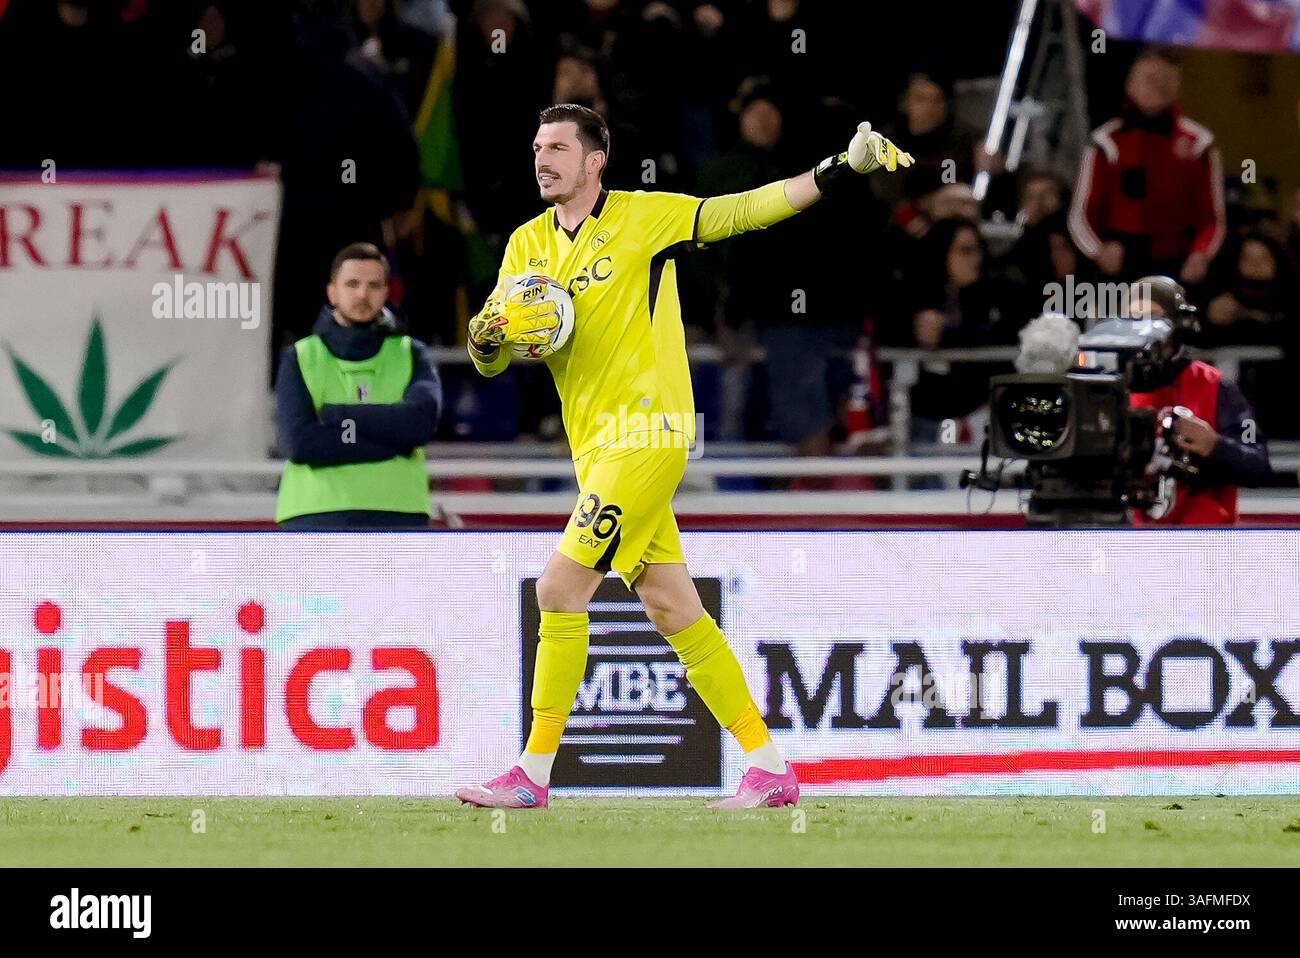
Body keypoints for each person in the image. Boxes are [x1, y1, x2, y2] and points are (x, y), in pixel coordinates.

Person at [454, 103, 912, 810]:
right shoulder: (523, 248)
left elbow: (747, 211)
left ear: (595, 161)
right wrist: (487, 337)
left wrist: (838, 167)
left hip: (649, 436)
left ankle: (532, 776)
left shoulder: (645, 218)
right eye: (537, 147)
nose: (542, 160)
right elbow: (492, 358)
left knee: (557, 590)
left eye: (557, 148)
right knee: (672, 608)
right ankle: (769, 768)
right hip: (594, 449)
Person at [275, 243, 442, 529]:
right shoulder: (300, 356)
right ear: (332, 291)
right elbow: (300, 443)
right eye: (352, 284)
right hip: (314, 513)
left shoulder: (411, 352)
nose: (363, 294)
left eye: (374, 285)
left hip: (398, 510)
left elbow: (419, 425)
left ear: (386, 292)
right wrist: (390, 445)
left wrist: (339, 416)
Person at [1069, 48, 1226, 285]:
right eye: (1151, 79)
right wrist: (1098, 251)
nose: (1159, 86)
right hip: (1119, 263)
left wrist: (1201, 255)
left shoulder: (1199, 143)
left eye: (1167, 80)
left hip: (1178, 261)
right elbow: (1080, 214)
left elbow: (1213, 218)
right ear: (1130, 85)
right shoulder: (1106, 141)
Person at [1126, 275, 1270, 525]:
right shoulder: (1109, 387)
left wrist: (1214, 445)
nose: (1144, 329)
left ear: (1178, 325)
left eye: (1155, 317)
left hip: (1202, 537)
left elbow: (1258, 465)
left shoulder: (1214, 385)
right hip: (1122, 535)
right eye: (1135, 319)